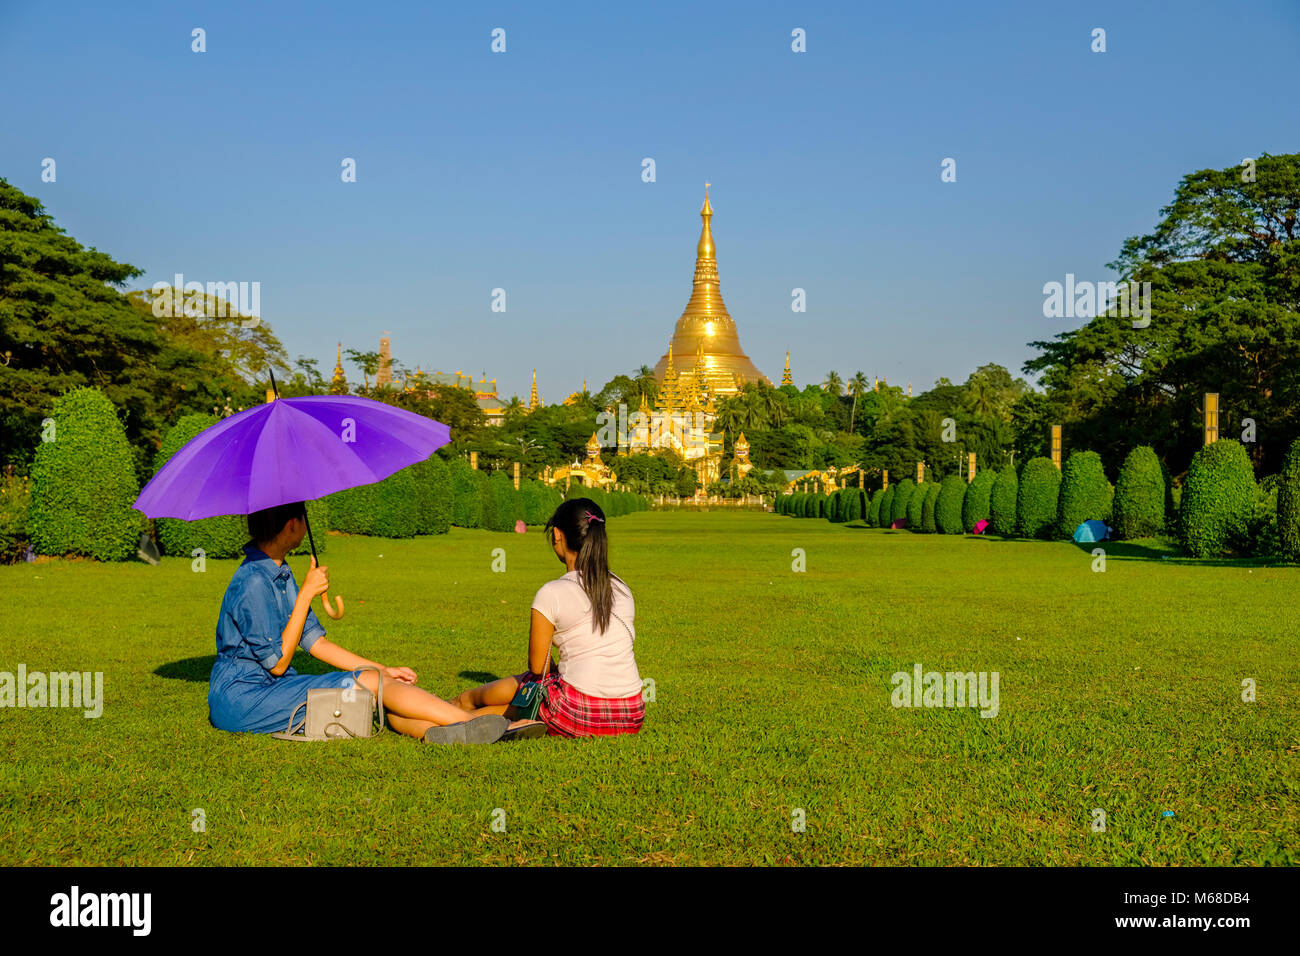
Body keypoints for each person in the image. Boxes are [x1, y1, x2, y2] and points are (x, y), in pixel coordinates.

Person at [209, 501, 528, 744]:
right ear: (293, 524)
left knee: (373, 689)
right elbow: (277, 663)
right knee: (369, 686)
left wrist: (381, 669)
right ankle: (488, 726)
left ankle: (440, 732)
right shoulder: (252, 581)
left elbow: (316, 643)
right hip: (245, 698)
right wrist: (306, 594)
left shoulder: (281, 573)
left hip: (269, 688)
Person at [452, 497, 646, 737]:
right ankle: (462, 711)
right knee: (523, 701)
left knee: (528, 686)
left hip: (576, 713)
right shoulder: (622, 588)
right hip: (631, 715)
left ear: (557, 535)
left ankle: (458, 707)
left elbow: (537, 666)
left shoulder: (552, 592)